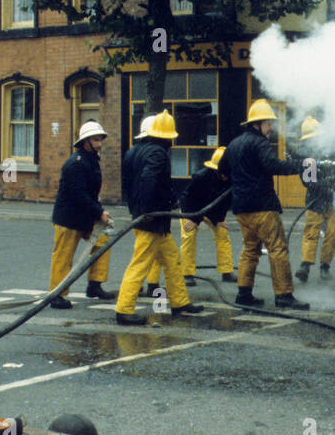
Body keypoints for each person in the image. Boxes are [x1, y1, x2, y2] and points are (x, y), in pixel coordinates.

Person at [114, 109, 204, 325]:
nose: (172, 142)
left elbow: (129, 184)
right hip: (151, 219)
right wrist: (148, 210)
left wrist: (138, 208)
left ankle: (180, 302)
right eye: (171, 137)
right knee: (140, 263)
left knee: (172, 260)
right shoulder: (158, 153)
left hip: (148, 217)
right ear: (165, 137)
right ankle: (124, 309)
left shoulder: (133, 151)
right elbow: (148, 180)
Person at [218, 99, 310, 309]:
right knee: (277, 248)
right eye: (268, 123)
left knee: (250, 249)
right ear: (257, 124)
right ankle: (284, 295)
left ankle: (244, 294)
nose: (271, 127)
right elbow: (271, 165)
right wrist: (299, 166)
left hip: (241, 208)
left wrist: (240, 181)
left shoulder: (233, 144)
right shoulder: (259, 143)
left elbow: (222, 171)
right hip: (262, 206)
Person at [47, 120, 116, 309]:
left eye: (101, 139)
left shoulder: (91, 160)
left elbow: (90, 193)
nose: (100, 143)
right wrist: (99, 212)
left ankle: (95, 285)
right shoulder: (76, 164)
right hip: (69, 218)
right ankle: (57, 295)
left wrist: (98, 211)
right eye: (96, 139)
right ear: (85, 141)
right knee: (64, 257)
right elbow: (79, 194)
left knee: (102, 243)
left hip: (85, 216)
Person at [156, 146, 235, 289]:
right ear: (216, 169)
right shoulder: (201, 177)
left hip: (212, 211)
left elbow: (226, 201)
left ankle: (226, 271)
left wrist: (220, 219)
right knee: (188, 235)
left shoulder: (230, 179)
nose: (226, 176)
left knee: (223, 234)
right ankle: (187, 274)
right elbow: (187, 198)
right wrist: (191, 219)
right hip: (191, 210)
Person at [293, 116, 335, 283]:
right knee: (311, 231)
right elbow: (308, 181)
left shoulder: (332, 150)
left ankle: (325, 266)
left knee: (334, 231)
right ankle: (305, 266)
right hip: (315, 199)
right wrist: (324, 185)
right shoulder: (305, 156)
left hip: (333, 199)